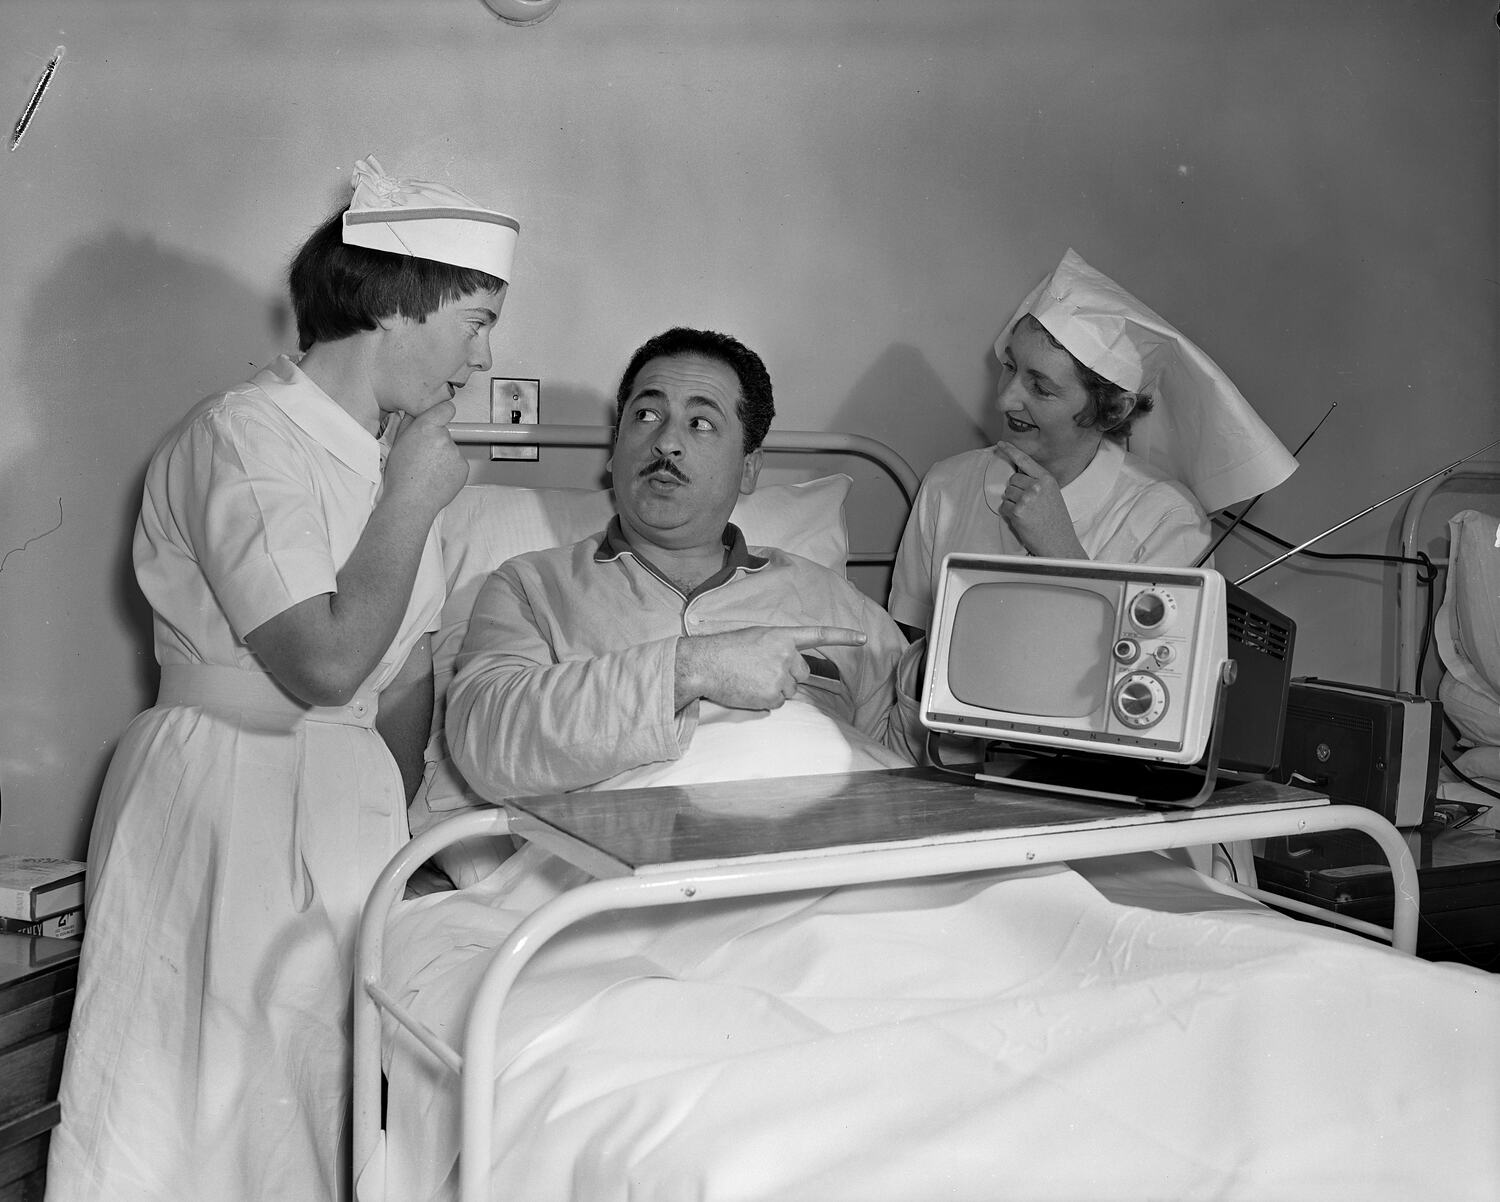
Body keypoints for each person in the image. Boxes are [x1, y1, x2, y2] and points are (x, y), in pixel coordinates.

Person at [47, 156, 520, 1202]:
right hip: (228, 793)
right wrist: (413, 502)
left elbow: (398, 685)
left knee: (312, 1111)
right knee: (197, 1116)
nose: (485, 357)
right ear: (397, 303)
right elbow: (325, 660)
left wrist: (403, 847)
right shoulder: (246, 435)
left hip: (346, 814)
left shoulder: (386, 457)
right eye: (477, 321)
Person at [446, 326, 922, 805]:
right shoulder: (533, 587)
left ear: (749, 468)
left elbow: (908, 760)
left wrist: (933, 675)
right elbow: (488, 743)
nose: (667, 442)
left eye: (701, 423)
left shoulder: (834, 602)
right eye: (647, 415)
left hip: (848, 835)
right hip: (639, 845)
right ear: (615, 449)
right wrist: (691, 669)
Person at [888, 248, 1297, 637]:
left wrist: (1060, 551)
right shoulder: (947, 486)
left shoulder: (1167, 521)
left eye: (1041, 388)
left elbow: (1156, 674)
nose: (1005, 399)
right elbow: (912, 650)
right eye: (1009, 367)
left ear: (1114, 410)